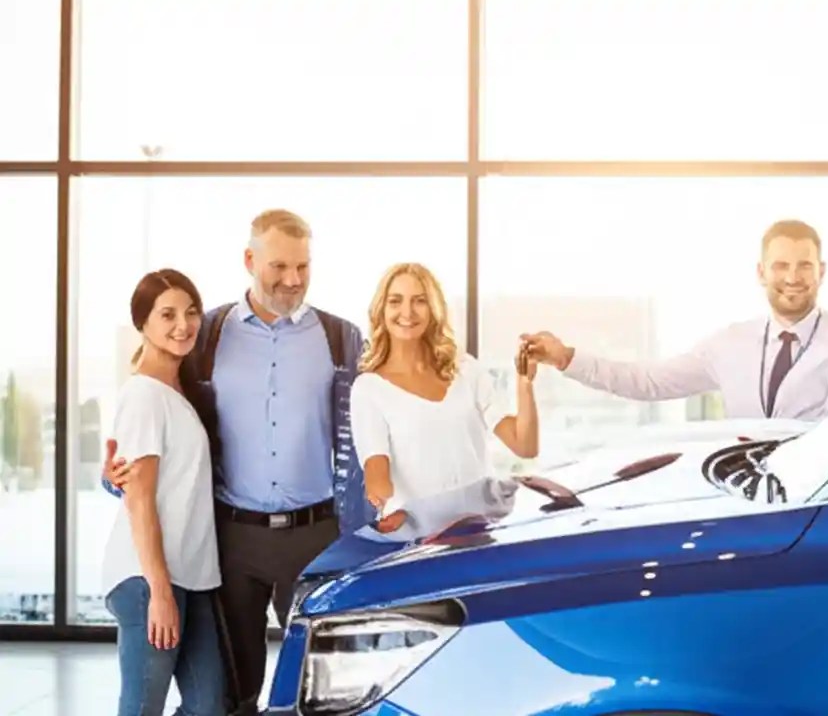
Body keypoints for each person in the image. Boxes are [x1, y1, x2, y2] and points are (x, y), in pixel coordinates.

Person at [104, 209, 368, 716]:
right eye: (278, 266)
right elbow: (153, 398)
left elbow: (380, 414)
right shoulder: (205, 334)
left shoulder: (342, 338)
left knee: (325, 686)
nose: (292, 280)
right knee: (232, 691)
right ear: (250, 260)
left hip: (316, 534)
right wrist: (116, 469)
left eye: (303, 267)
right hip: (232, 540)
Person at [521, 219, 828, 421]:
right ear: (761, 272)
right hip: (747, 502)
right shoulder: (730, 343)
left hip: (817, 512)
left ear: (822, 272)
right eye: (781, 266)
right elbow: (649, 382)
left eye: (805, 266)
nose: (792, 277)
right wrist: (567, 358)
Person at [102, 268, 224, 715]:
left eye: (191, 312)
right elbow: (139, 498)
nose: (183, 325)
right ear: (143, 324)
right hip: (148, 579)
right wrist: (159, 591)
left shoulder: (180, 392)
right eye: (167, 314)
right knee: (141, 706)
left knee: (209, 706)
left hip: (190, 574)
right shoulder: (144, 395)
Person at [350, 263, 538, 527]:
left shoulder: (466, 370)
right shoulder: (369, 389)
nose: (407, 312)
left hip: (481, 530)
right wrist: (384, 507)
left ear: (433, 310)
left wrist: (524, 382)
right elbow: (377, 475)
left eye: (419, 301)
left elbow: (525, 445)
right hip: (423, 540)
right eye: (395, 301)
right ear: (381, 310)